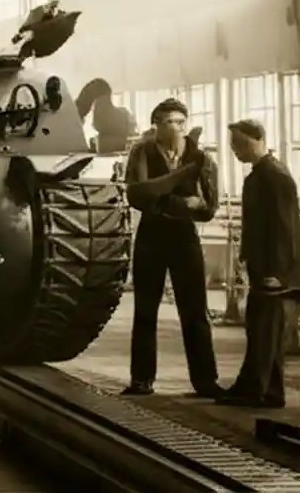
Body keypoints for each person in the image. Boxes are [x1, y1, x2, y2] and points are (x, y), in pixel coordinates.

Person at [121, 98, 222, 398]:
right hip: (152, 234)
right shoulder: (142, 152)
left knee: (195, 311)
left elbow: (208, 207)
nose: (177, 128)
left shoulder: (200, 157)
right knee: (145, 311)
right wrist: (179, 191)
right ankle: (141, 379)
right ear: (157, 125)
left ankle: (205, 380)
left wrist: (163, 196)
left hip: (184, 235)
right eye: (169, 122)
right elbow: (137, 194)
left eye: (181, 122)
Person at [218, 119, 300, 408]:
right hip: (261, 264)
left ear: (257, 140)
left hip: (271, 269)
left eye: (239, 145)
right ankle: (268, 390)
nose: (235, 152)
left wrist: (277, 273)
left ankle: (256, 389)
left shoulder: (275, 177)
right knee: (260, 329)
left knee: (266, 330)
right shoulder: (260, 175)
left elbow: (285, 228)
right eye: (233, 146)